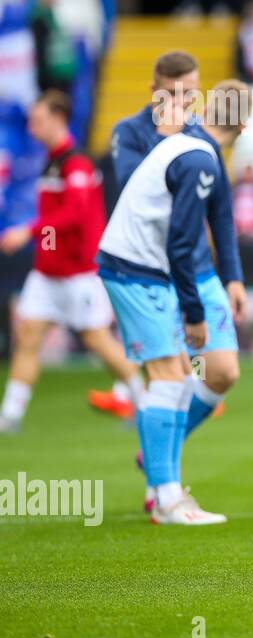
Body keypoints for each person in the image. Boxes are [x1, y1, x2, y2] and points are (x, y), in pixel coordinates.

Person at [97, 79, 250, 525]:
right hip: (138, 269)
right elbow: (183, 243)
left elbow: (199, 229)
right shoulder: (200, 158)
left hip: (138, 266)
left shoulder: (192, 145)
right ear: (243, 122)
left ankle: (165, 485)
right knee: (168, 376)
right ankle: (166, 500)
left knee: (182, 376)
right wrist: (195, 314)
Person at [0, 91, 141, 432]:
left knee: (98, 342)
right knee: (28, 338)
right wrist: (46, 249)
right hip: (48, 274)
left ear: (58, 119)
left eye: (39, 120)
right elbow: (54, 220)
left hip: (78, 275)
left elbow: (75, 215)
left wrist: (30, 233)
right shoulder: (52, 163)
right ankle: (11, 415)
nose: (32, 128)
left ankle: (145, 401)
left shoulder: (76, 163)